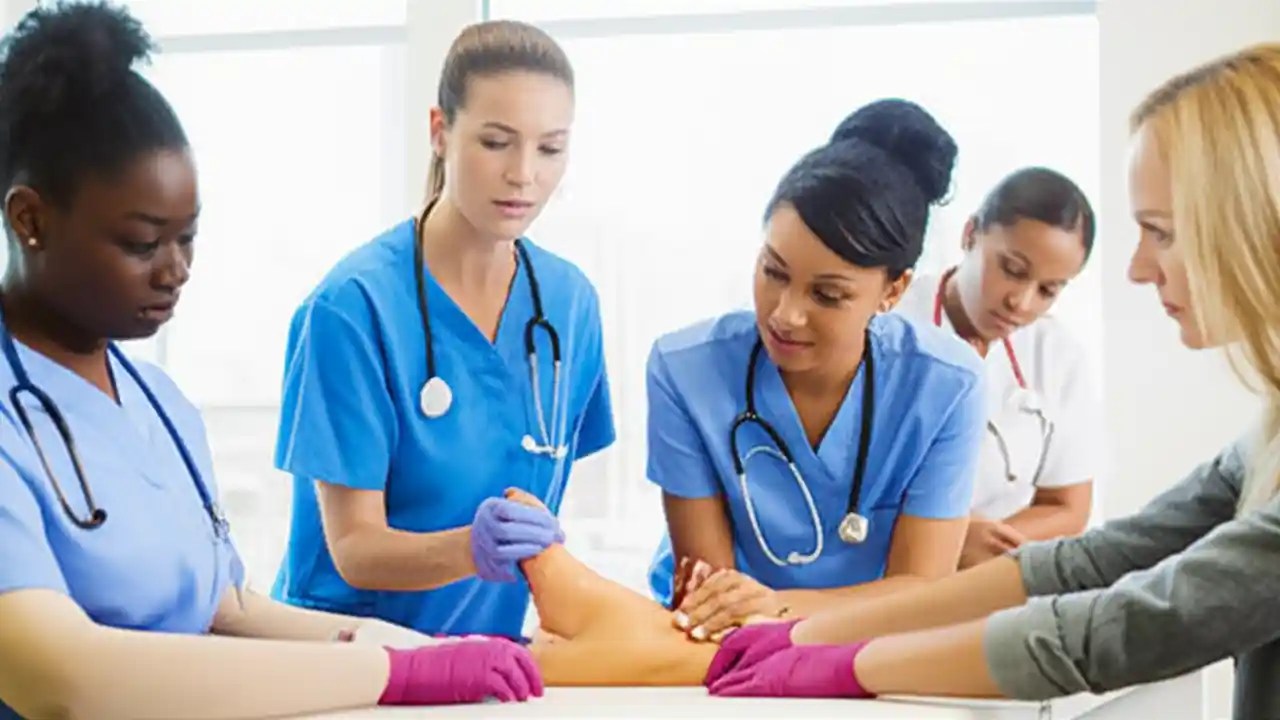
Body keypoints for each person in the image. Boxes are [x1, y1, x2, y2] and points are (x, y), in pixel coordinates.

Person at [701, 42, 1280, 720]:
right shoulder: (1264, 440)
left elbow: (1135, 623)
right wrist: (810, 633)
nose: (1138, 268)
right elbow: (1095, 560)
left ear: (1255, 225)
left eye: (1162, 233)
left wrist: (844, 661)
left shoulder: (1035, 363)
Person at [0, 4, 543, 719]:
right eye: (141, 244)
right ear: (30, 220)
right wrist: (387, 675)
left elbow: (224, 609)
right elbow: (62, 677)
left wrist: (402, 645)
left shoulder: (159, 405)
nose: (175, 270)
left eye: (186, 239)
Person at [270, 18, 615, 640]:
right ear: (440, 132)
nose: (523, 174)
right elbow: (353, 547)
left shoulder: (570, 307)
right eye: (496, 142)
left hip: (486, 664)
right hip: (344, 664)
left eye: (549, 148)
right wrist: (470, 549)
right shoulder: (352, 309)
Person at [644, 98, 988, 641]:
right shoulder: (686, 371)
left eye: (828, 295)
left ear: (893, 290)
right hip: (709, 646)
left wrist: (777, 606)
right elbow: (710, 596)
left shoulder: (945, 385)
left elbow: (923, 588)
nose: (785, 314)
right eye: (773, 272)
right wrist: (759, 610)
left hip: (864, 644)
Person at [893, 167, 1100, 567]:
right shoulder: (892, 327)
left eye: (1047, 290)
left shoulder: (1057, 354)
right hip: (894, 569)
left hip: (997, 573)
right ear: (970, 235)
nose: (1021, 303)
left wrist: (982, 543)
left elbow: (1067, 507)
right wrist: (947, 534)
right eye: (1013, 270)